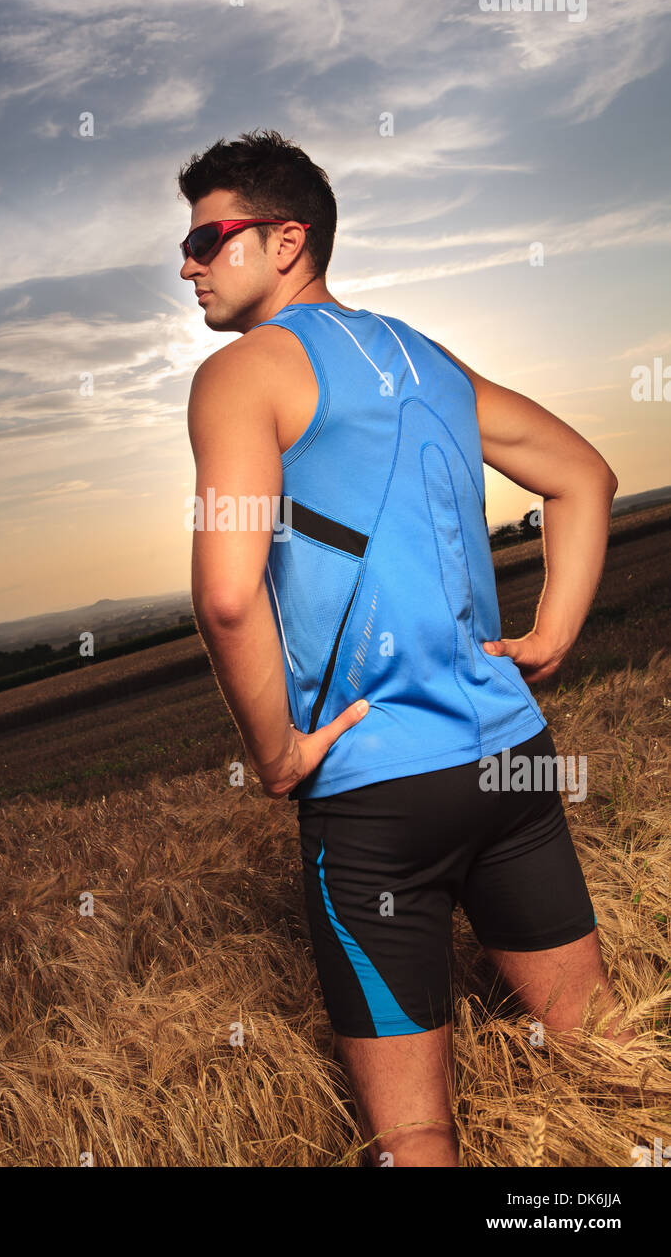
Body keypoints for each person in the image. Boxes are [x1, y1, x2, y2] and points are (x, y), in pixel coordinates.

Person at [179, 129, 633, 1167]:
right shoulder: (424, 357)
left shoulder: (239, 375)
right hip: (511, 757)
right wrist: (550, 635)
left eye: (210, 238)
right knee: (604, 1047)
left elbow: (225, 596)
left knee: (413, 1135)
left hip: (376, 792)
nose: (187, 263)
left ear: (286, 239)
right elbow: (583, 476)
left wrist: (278, 755)